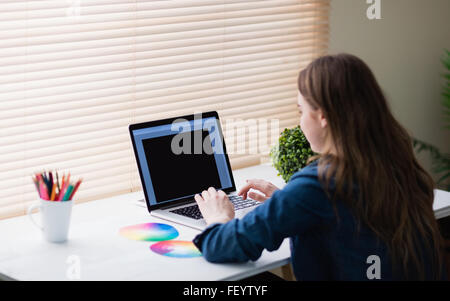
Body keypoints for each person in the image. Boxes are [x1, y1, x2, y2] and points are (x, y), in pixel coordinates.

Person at [192, 53, 447, 281]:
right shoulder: (400, 165)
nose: (300, 121)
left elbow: (222, 246)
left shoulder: (319, 184)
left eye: (301, 110)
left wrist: (218, 218)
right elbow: (347, 219)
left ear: (323, 116)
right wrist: (287, 201)